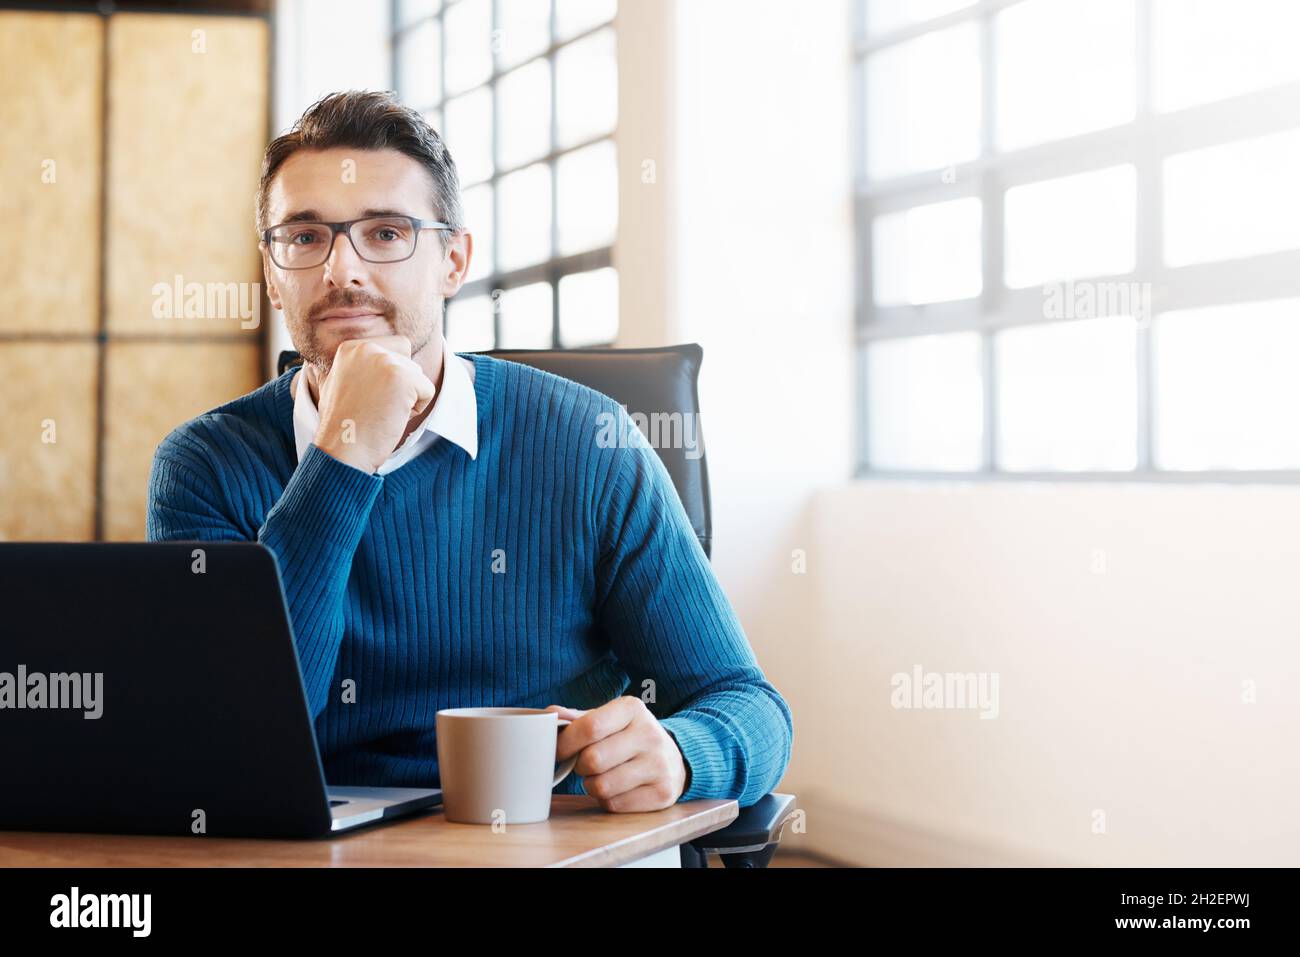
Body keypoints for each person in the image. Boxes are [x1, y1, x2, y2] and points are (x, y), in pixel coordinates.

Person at [146, 90, 792, 812]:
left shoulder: (589, 442)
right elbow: (230, 734)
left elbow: (747, 703)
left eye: (386, 234)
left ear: (453, 260)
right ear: (270, 274)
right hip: (315, 846)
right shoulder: (203, 464)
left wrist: (680, 753)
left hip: (545, 840)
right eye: (304, 238)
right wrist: (343, 454)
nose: (342, 272)